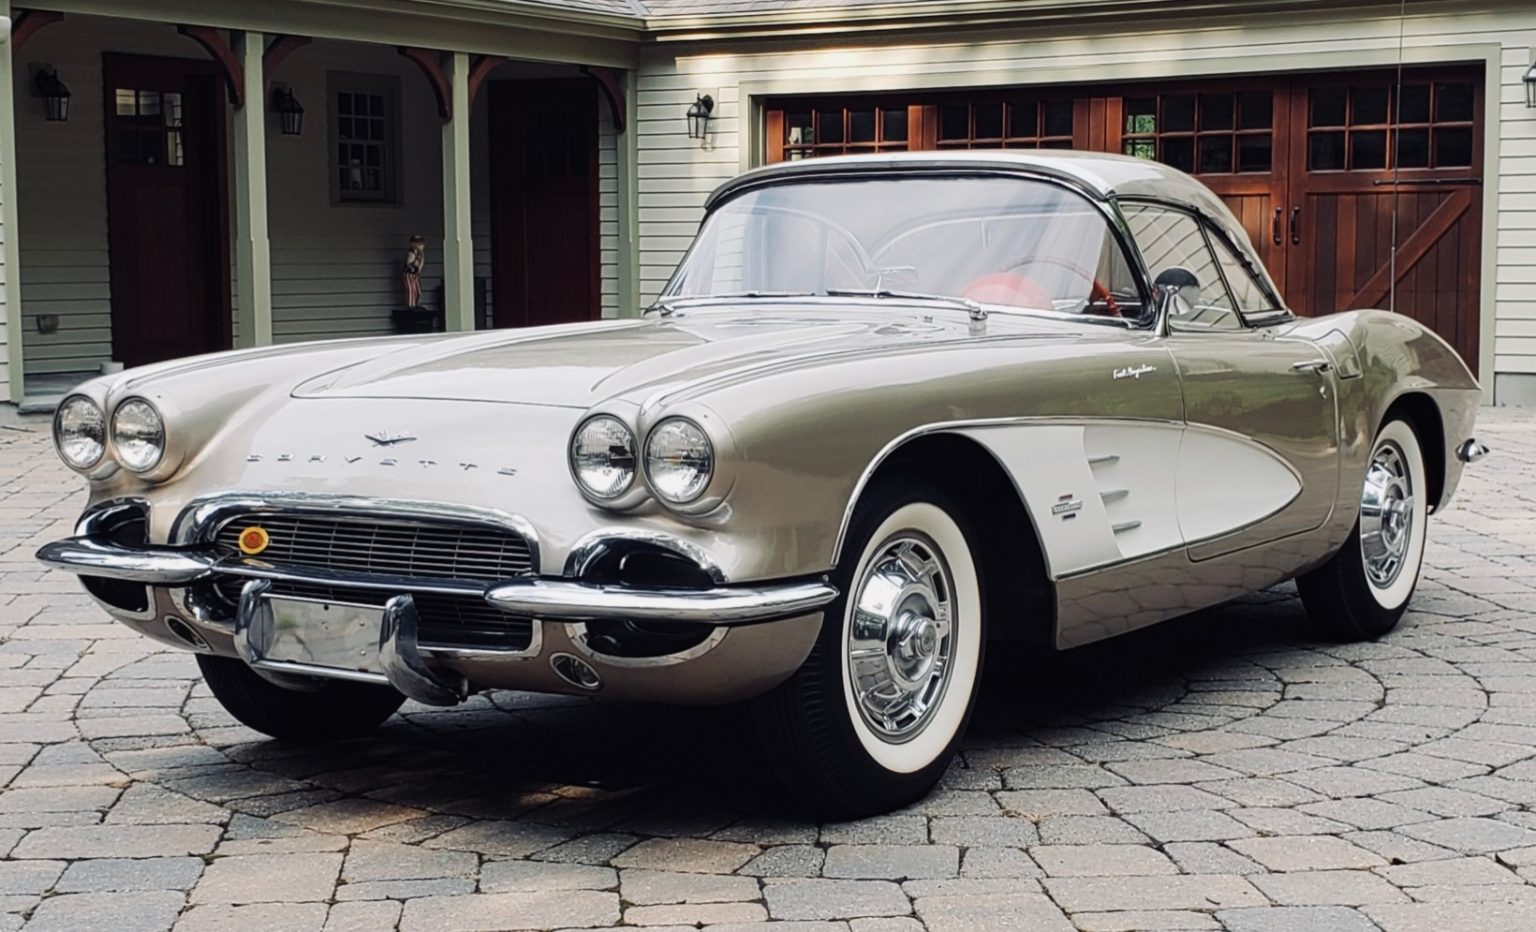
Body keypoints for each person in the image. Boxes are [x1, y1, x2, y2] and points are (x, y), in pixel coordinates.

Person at [402, 235, 426, 310]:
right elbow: (408, 263)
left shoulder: (421, 254)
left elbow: (421, 263)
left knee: (418, 290)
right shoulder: (411, 253)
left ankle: (416, 304)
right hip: (408, 274)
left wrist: (418, 270)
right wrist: (413, 266)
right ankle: (411, 305)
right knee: (411, 290)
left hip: (415, 274)